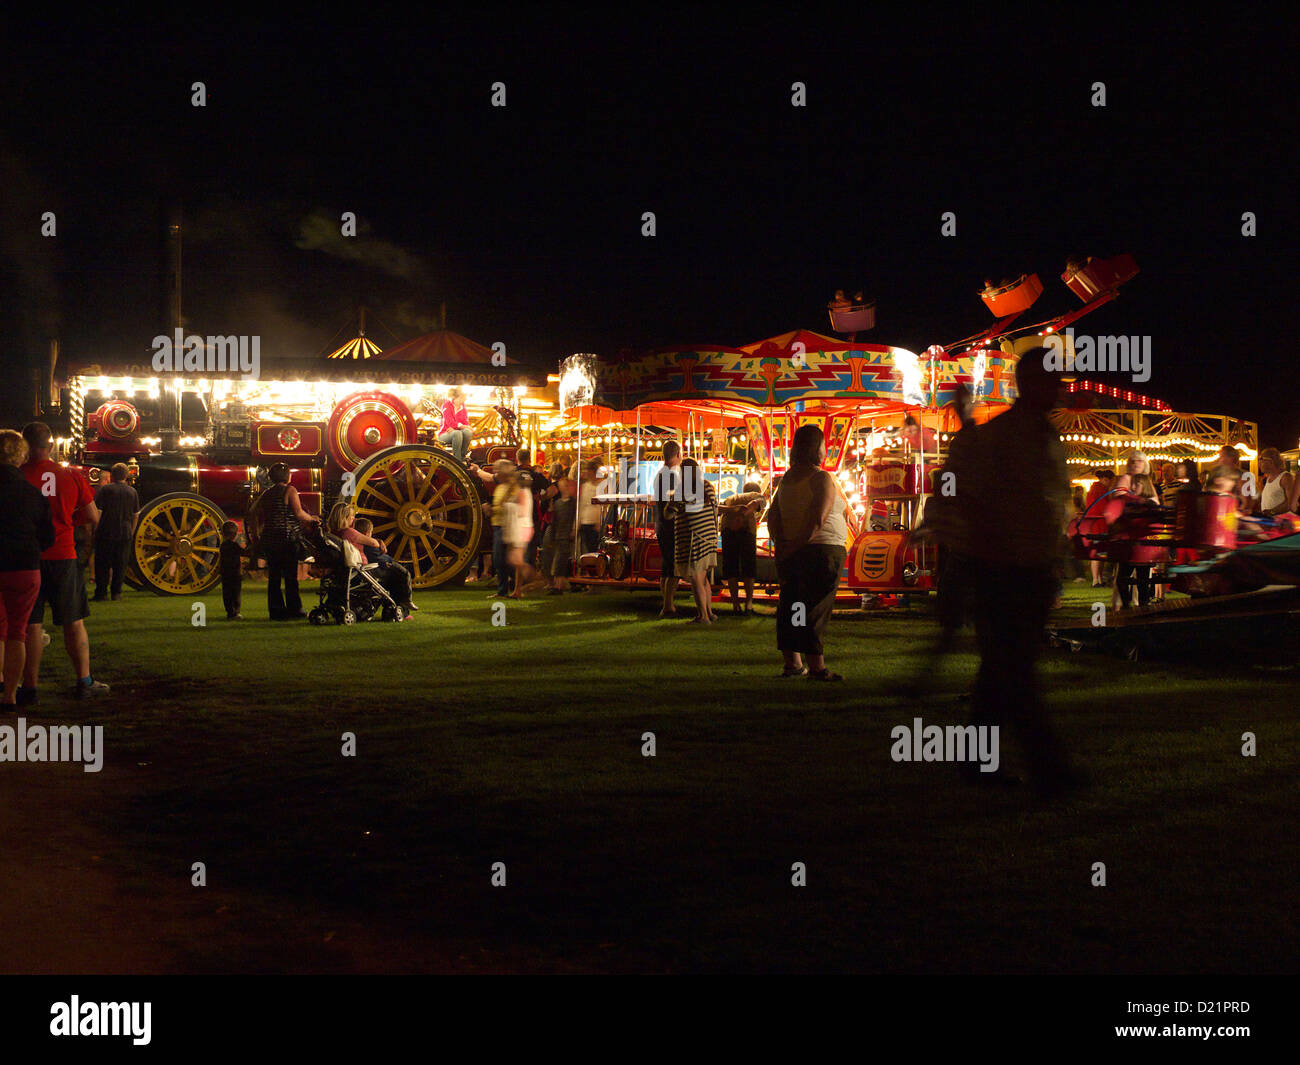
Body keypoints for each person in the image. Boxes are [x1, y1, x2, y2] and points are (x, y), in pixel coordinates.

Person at [948, 350, 1081, 796]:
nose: (1060, 388)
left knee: (999, 673)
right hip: (1007, 572)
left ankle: (975, 761)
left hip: (1027, 570)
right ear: (1032, 383)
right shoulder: (1011, 435)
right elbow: (979, 499)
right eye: (1053, 380)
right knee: (1016, 672)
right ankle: (1051, 771)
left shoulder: (1039, 435)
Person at [19, 421, 107, 700]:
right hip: (63, 554)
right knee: (73, 620)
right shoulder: (69, 476)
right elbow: (93, 517)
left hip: (28, 557)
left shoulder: (17, 477)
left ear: (25, 446)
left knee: (31, 625)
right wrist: (70, 520)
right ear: (51, 446)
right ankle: (84, 680)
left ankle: (29, 686)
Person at [766, 425, 846, 678]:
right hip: (821, 551)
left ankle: (793, 662)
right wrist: (799, 543)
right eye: (823, 444)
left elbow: (773, 516)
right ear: (817, 448)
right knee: (814, 607)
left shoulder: (787, 478)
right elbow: (818, 518)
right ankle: (817, 667)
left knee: (793, 605)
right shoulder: (821, 478)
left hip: (794, 550)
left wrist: (783, 546)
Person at [0, 430, 54, 705]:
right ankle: (10, 694)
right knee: (17, 632)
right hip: (24, 566)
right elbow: (48, 537)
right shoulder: (33, 494)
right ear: (21, 457)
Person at [255, 462, 321, 619]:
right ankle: (295, 609)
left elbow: (253, 513)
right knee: (291, 576)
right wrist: (312, 519)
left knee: (274, 577)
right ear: (286, 476)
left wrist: (257, 534)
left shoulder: (267, 493)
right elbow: (298, 513)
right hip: (287, 539)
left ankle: (276, 611)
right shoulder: (289, 490)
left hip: (270, 538)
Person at [328, 504, 413, 619]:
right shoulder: (349, 532)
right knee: (395, 574)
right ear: (345, 518)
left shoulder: (333, 533)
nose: (354, 519)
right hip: (362, 568)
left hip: (345, 570)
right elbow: (373, 543)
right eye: (352, 517)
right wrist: (380, 542)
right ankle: (401, 608)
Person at [673, 457, 719, 624]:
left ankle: (703, 616)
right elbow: (715, 509)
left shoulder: (683, 490)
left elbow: (669, 513)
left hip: (693, 539)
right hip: (708, 537)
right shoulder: (707, 486)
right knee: (704, 578)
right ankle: (709, 612)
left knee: (696, 579)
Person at [1113, 450, 1159, 609]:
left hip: (1135, 541)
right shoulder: (1130, 479)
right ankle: (1139, 605)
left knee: (1129, 577)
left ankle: (1133, 605)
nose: (1135, 464)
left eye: (1139, 461)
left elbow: (1120, 502)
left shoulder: (1142, 484)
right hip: (1140, 541)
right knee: (1139, 577)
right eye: (1133, 461)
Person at [468, 458, 516, 598]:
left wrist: (492, 510)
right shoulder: (502, 484)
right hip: (498, 525)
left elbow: (512, 507)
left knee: (503, 560)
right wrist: (477, 470)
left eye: (497, 470)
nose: (494, 473)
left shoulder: (513, 487)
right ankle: (504, 590)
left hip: (507, 526)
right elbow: (489, 477)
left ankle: (515, 587)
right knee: (499, 560)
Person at [90, 462, 138, 601]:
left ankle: (101, 593)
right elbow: (136, 515)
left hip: (106, 530)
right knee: (120, 564)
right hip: (125, 531)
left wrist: (95, 529)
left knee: (103, 564)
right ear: (126, 476)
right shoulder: (132, 492)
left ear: (112, 475)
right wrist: (132, 531)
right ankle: (116, 593)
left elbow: (98, 511)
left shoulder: (105, 490)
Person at [353, 517, 417, 611]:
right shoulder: (370, 546)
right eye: (371, 532)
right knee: (405, 573)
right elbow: (379, 558)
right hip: (379, 566)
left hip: (371, 568)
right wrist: (391, 561)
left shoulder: (359, 543)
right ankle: (407, 600)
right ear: (367, 533)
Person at [719, 482, 764, 613]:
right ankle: (749, 603)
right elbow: (755, 504)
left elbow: (719, 508)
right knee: (748, 567)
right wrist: (741, 518)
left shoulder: (731, 498)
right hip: (746, 530)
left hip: (727, 530)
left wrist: (732, 513)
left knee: (730, 567)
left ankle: (735, 604)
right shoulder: (757, 495)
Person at [652, 441, 683, 617]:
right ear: (678, 454)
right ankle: (668, 604)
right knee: (673, 565)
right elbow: (673, 502)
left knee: (667, 564)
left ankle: (667, 603)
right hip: (670, 524)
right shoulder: (671, 476)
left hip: (661, 523)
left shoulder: (660, 474)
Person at [500, 467, 536, 597]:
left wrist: (507, 505)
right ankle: (517, 590)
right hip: (525, 527)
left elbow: (520, 510)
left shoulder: (522, 492)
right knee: (516, 561)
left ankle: (536, 578)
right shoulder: (527, 492)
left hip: (521, 528)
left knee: (515, 560)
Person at [1083, 469, 1115, 586]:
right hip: (1100, 525)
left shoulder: (1093, 490)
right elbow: (1105, 509)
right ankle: (1096, 579)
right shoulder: (1101, 491)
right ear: (1106, 480)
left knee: (1098, 552)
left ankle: (1098, 579)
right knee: (1099, 553)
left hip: (1093, 524)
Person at [547, 477, 577, 593]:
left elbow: (574, 517)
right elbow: (555, 520)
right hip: (560, 534)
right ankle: (560, 583)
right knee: (559, 558)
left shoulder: (572, 503)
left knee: (561, 559)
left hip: (566, 534)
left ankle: (559, 585)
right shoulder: (558, 503)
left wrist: (573, 530)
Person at [437, 387, 472, 462]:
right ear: (457, 397)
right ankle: (457, 460)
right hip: (444, 434)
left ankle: (462, 457)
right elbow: (450, 422)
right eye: (463, 398)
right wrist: (460, 427)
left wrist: (458, 427)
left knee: (468, 432)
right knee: (457, 433)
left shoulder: (463, 408)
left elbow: (466, 423)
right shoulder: (446, 405)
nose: (464, 400)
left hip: (455, 432)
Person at [1256, 448, 1294, 516]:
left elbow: (1291, 502)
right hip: (1271, 522)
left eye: (1261, 459)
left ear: (1271, 461)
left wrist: (1271, 512)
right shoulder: (1268, 478)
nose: (1259, 463)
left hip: (1283, 523)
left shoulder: (1285, 477)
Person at [219, 520, 245, 620]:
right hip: (235, 573)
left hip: (225, 574)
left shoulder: (223, 546)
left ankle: (230, 612)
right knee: (236, 593)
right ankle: (236, 612)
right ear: (235, 534)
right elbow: (244, 553)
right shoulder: (234, 546)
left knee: (227, 594)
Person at [578, 460, 601, 554]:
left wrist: (599, 522)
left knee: (594, 547)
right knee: (587, 547)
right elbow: (582, 504)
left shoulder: (601, 485)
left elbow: (602, 506)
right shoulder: (585, 486)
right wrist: (578, 522)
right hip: (585, 521)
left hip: (595, 522)